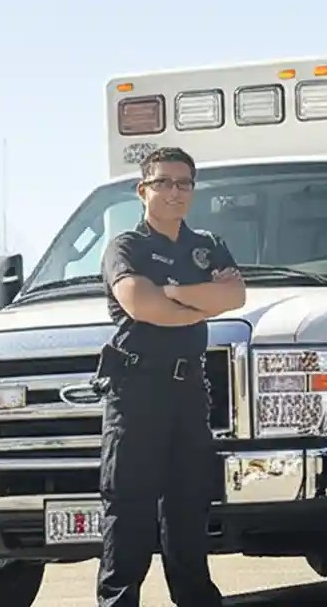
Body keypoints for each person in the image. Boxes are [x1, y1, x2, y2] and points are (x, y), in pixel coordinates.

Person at [96, 146, 246, 607]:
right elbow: (143, 306)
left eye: (184, 183)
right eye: (164, 182)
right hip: (138, 392)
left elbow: (236, 296)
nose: (175, 192)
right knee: (130, 513)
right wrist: (200, 303)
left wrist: (175, 292)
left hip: (189, 392)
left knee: (187, 509)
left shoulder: (207, 244)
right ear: (143, 190)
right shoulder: (127, 247)